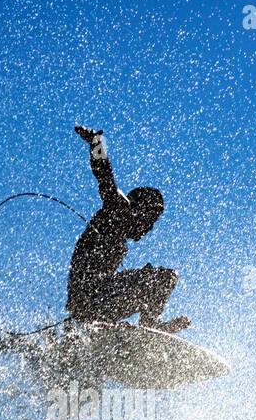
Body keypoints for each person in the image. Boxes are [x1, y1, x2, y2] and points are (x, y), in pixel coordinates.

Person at [66, 125, 189, 334]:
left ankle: (133, 328)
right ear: (139, 210)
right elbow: (105, 177)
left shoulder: (120, 230)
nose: (150, 228)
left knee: (153, 281)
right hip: (90, 298)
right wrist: (96, 144)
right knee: (164, 277)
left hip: (90, 305)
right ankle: (151, 325)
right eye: (150, 220)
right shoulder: (119, 209)